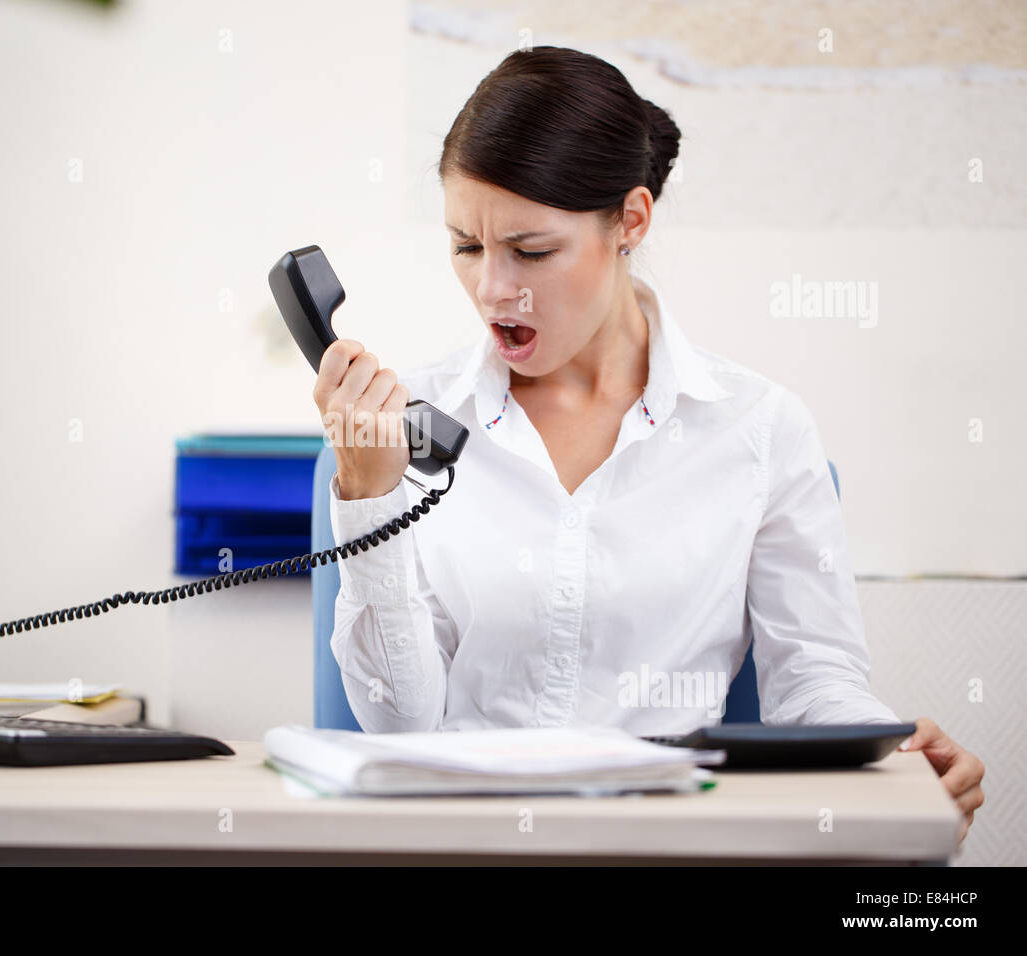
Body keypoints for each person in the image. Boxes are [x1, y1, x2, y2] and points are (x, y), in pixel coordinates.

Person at [312, 46, 983, 841]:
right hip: (466, 846)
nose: (494, 289)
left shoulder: (760, 430)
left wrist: (894, 752)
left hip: (673, 849)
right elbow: (399, 730)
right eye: (466, 246)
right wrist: (369, 499)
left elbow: (813, 682)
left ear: (630, 220)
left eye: (530, 251)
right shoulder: (405, 436)